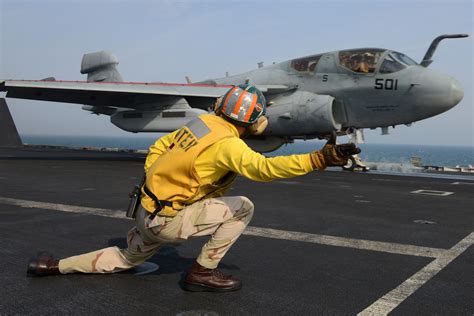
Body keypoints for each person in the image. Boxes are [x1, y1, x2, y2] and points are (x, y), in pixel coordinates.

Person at [27, 85, 360, 292]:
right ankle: (202, 273)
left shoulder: (198, 124)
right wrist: (320, 158)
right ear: (249, 120)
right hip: (168, 221)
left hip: (145, 213)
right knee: (242, 206)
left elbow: (159, 148)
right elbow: (264, 169)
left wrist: (161, 182)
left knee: (126, 258)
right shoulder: (229, 144)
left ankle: (54, 266)